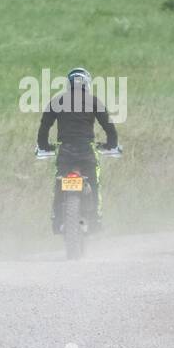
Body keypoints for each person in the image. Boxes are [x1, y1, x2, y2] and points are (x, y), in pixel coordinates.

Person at [37, 67, 119, 233]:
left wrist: (44, 146)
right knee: (95, 183)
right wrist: (111, 144)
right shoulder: (94, 101)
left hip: (65, 151)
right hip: (86, 151)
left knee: (59, 183)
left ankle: (56, 219)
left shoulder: (57, 101)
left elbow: (44, 127)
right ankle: (96, 218)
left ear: (69, 84)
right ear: (87, 84)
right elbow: (110, 127)